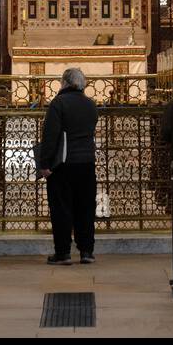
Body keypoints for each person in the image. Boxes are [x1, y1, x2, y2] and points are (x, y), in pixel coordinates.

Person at [40, 67, 99, 266]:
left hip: (63, 164)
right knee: (85, 207)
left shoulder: (59, 103)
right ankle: (86, 251)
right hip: (87, 162)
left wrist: (45, 163)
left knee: (61, 208)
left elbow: (50, 136)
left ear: (64, 82)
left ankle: (63, 252)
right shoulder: (91, 104)